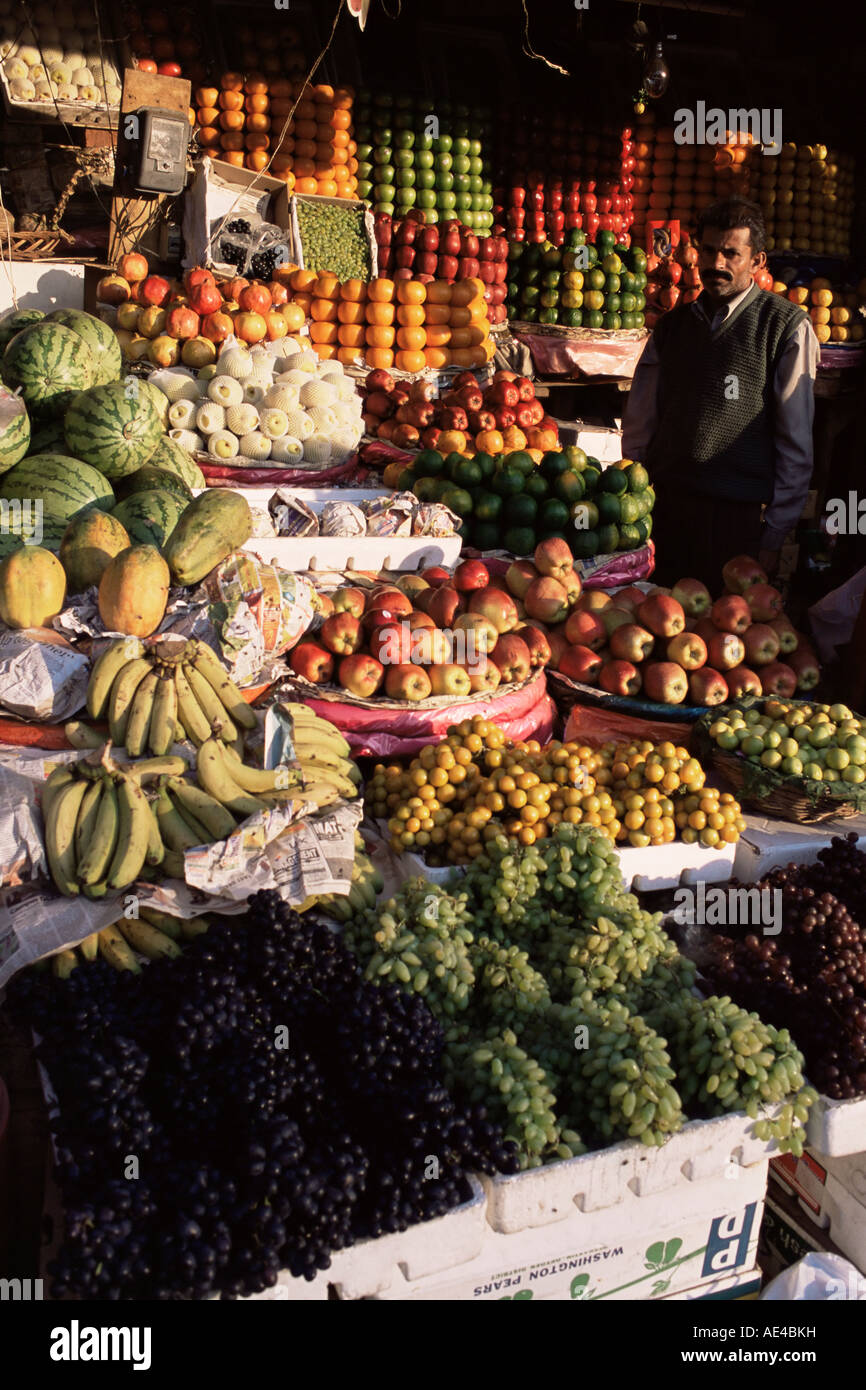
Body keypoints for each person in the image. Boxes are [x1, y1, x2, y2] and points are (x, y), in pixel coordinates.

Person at [621, 197, 818, 589]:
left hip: (738, 518)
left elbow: (795, 442)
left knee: (727, 633)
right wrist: (636, 497)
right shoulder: (673, 327)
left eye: (731, 253)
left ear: (758, 261)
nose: (716, 264)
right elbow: (641, 423)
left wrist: (775, 532)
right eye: (709, 251)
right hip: (668, 509)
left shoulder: (785, 328)